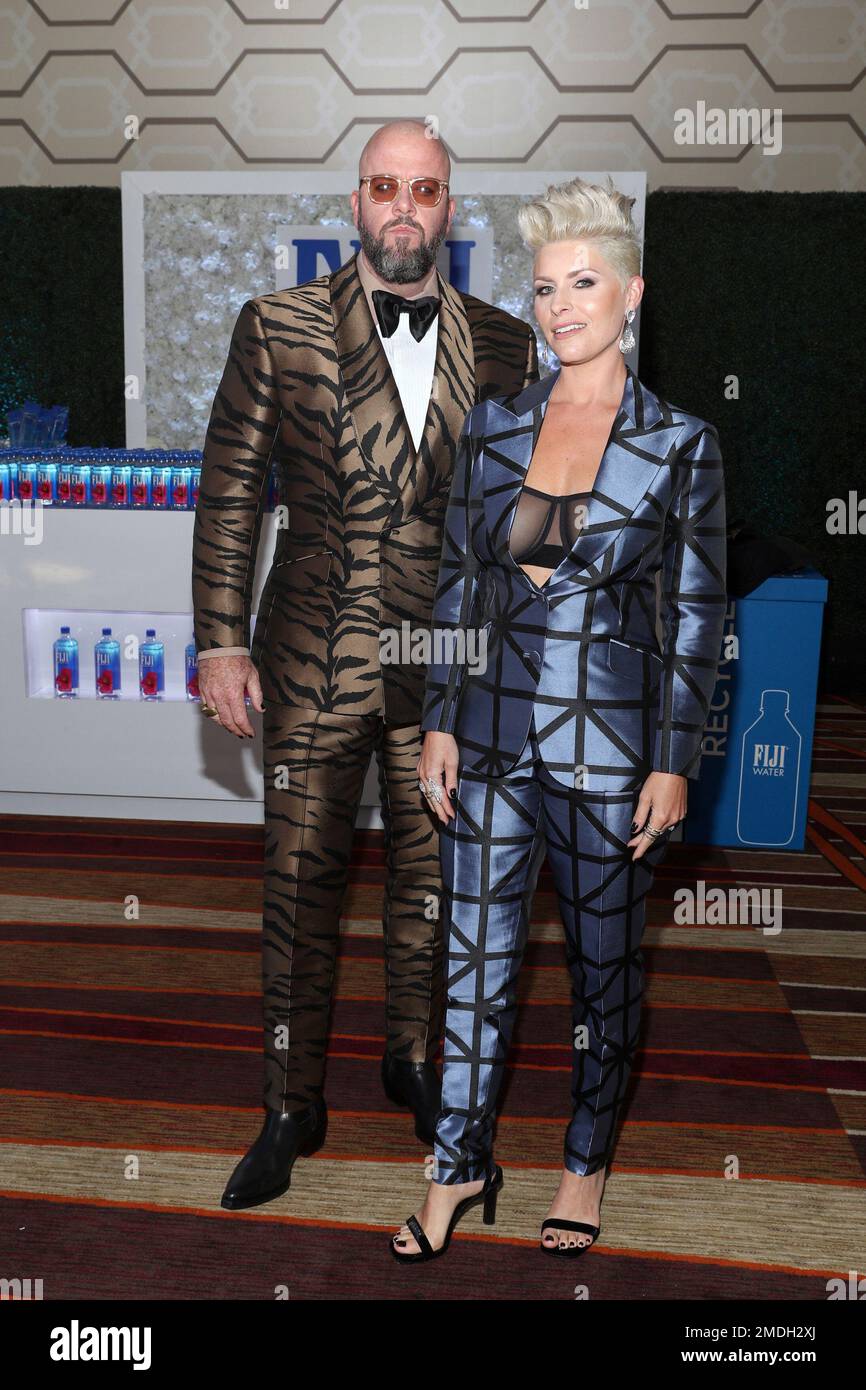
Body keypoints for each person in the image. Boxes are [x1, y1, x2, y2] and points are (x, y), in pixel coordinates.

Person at [191, 119, 538, 1211]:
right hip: (311, 650)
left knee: (435, 885)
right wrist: (217, 638)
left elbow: (518, 524)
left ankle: (415, 1063)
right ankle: (290, 1106)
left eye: (424, 190)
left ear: (447, 211)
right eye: (384, 187)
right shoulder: (277, 327)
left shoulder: (504, 343)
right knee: (299, 882)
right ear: (354, 203)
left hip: (443, 658)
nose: (403, 207)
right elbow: (232, 490)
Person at [390, 175, 726, 1262]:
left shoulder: (679, 445)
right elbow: (456, 583)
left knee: (602, 970)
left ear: (629, 291)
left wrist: (674, 761)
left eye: (582, 282)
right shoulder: (493, 429)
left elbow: (690, 615)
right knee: (473, 963)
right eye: (542, 287)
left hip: (610, 753)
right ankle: (454, 1165)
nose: (560, 305)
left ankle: (583, 1163)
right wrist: (439, 714)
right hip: (486, 741)